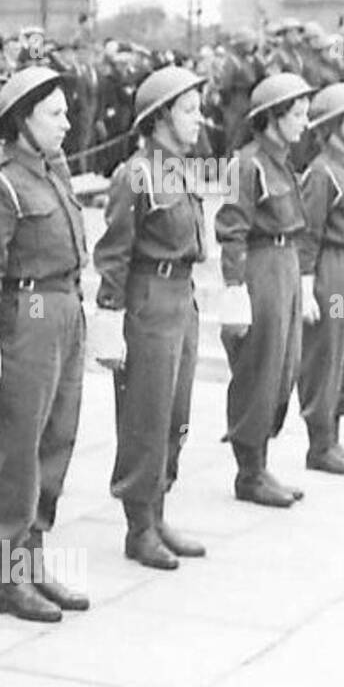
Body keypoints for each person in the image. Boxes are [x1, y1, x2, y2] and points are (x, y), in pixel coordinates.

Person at [0, 66, 91, 623]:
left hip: (62, 309)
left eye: (64, 111)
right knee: (19, 449)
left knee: (55, 443)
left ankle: (33, 565)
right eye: (53, 114)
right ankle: (9, 579)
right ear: (22, 122)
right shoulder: (2, 184)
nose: (65, 123)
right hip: (27, 315)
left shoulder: (52, 174)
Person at [91, 67, 209, 570]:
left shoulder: (181, 168)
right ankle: (139, 526)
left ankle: (158, 512)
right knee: (146, 414)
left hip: (181, 296)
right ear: (160, 117)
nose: (199, 119)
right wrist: (111, 318)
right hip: (149, 298)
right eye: (188, 109)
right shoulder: (134, 173)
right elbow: (114, 252)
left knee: (175, 414)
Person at [215, 73, 313, 507]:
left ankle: (262, 463)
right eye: (296, 115)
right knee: (260, 366)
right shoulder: (248, 164)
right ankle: (248, 472)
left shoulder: (282, 160)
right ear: (272, 117)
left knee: (285, 367)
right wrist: (235, 289)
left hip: (286, 262)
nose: (304, 123)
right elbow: (231, 229)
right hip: (262, 267)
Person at [297, 83, 344, 475]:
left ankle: (335, 436)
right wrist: (307, 288)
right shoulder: (322, 173)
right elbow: (308, 236)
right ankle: (320, 444)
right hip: (335, 275)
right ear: (336, 125)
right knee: (331, 348)